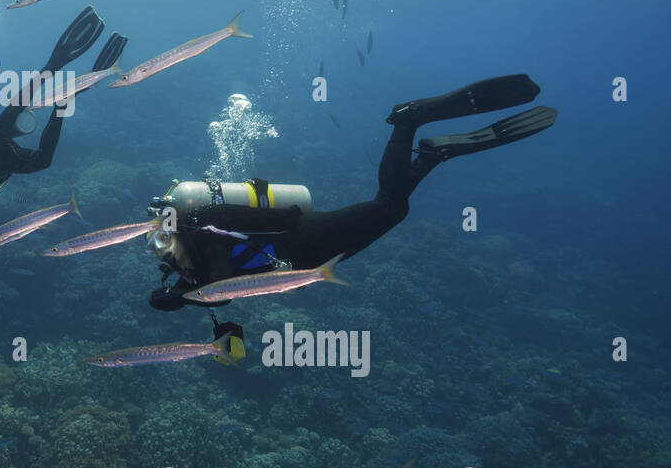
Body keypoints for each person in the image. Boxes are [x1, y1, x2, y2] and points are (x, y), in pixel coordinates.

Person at [147, 74, 558, 311]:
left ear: (177, 231)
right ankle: (430, 158)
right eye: (161, 254)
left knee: (390, 206)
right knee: (392, 210)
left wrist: (186, 297)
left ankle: (408, 122)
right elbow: (220, 298)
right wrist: (181, 293)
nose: (165, 256)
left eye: (164, 246)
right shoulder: (193, 265)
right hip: (310, 255)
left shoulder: (206, 236)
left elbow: (222, 288)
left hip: (308, 237)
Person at [0, 6, 127, 190]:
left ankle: (54, 67)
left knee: (13, 113)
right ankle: (61, 98)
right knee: (27, 137)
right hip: (2, 163)